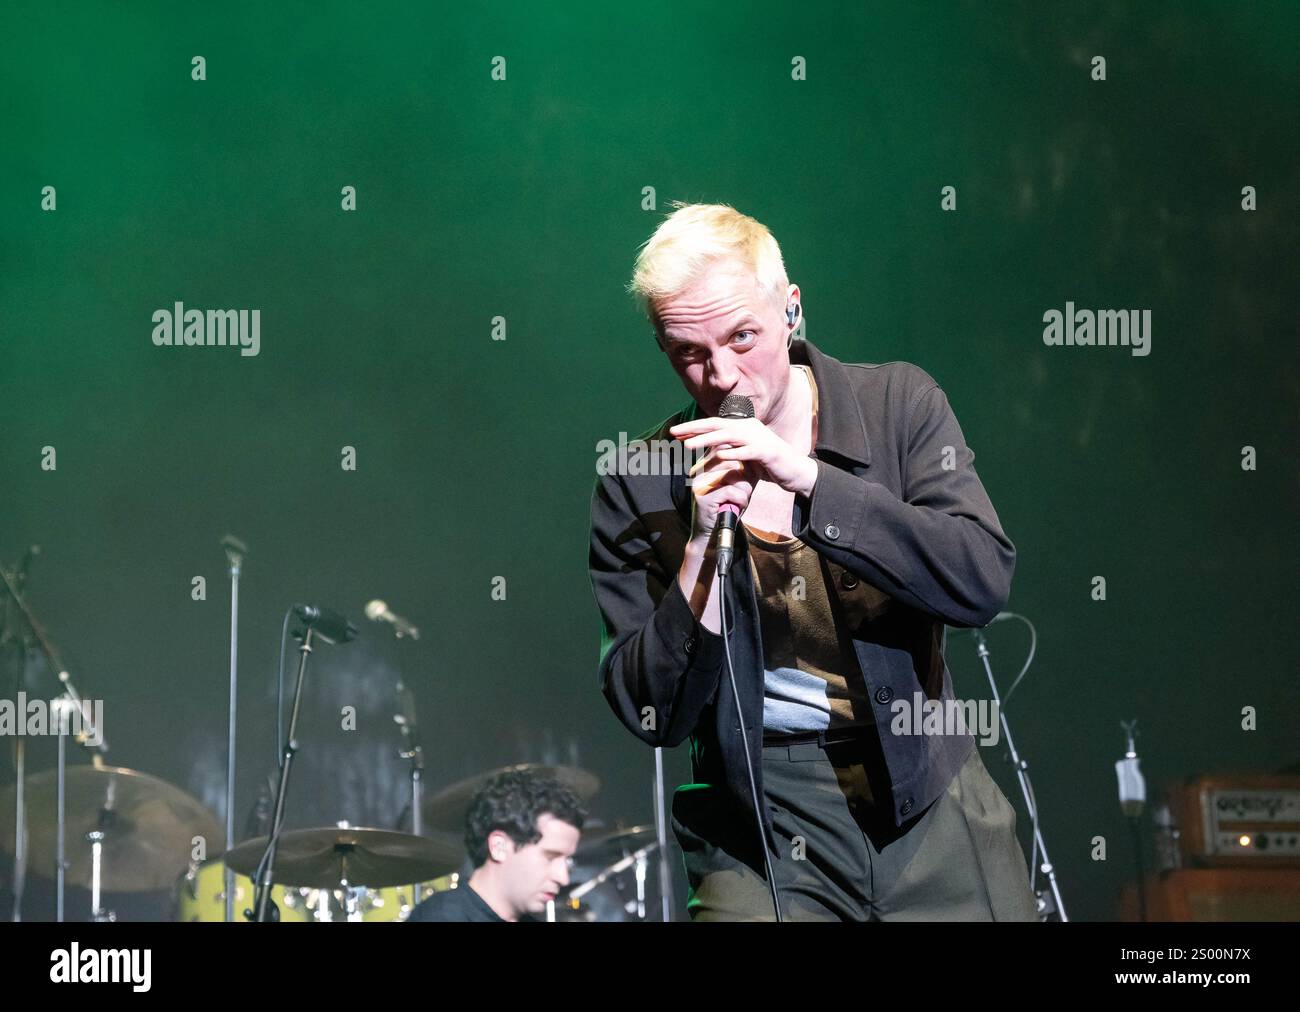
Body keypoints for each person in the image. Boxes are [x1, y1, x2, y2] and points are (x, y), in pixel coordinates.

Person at [587, 202, 1038, 921]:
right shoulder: (639, 480)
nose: (723, 376)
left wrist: (808, 480)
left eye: (743, 337)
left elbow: (981, 577)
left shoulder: (897, 404)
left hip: (924, 784)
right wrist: (702, 544)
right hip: (760, 806)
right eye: (689, 354)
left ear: (791, 310)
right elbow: (652, 711)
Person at [406, 769, 585, 922]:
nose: (564, 878)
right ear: (499, 847)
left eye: (567, 861)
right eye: (550, 857)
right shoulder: (441, 917)